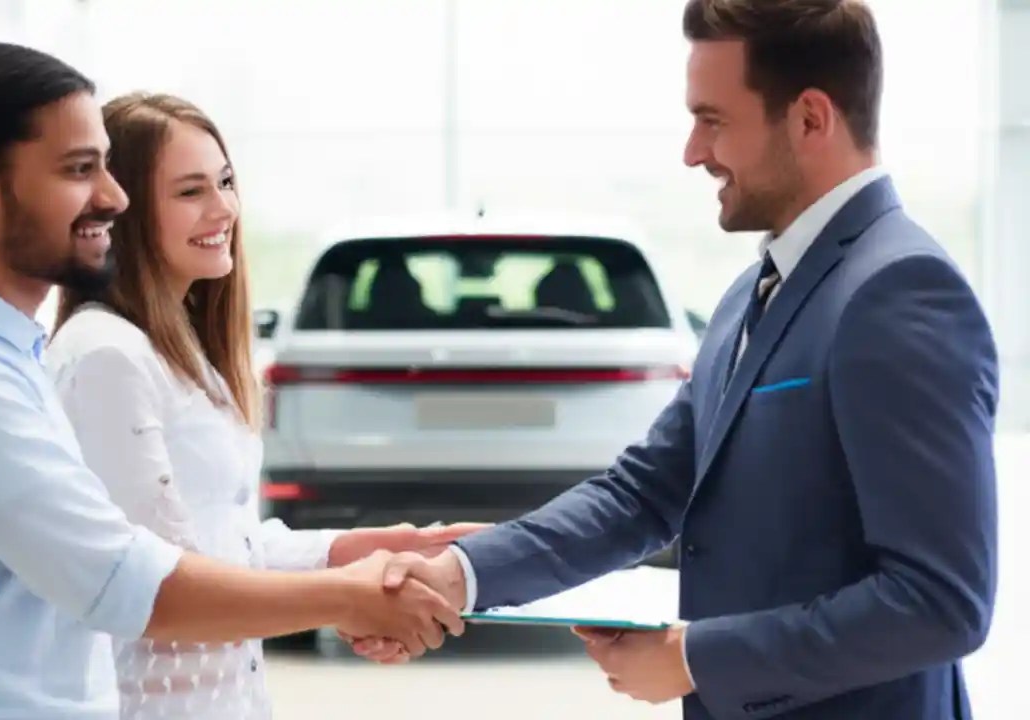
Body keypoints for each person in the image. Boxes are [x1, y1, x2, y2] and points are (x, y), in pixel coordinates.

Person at [364, 1, 1000, 718]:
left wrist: (693, 660)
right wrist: (459, 575)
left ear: (811, 118)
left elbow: (940, 602)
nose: (693, 152)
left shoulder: (901, 292)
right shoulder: (752, 292)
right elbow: (643, 493)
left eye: (714, 120)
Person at [0, 41, 461, 720]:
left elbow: (169, 554)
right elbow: (132, 585)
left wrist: (349, 560)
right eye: (80, 170)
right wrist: (349, 594)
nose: (113, 197)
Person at [43, 91, 484, 719]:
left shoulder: (185, 350)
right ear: (127, 211)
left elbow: (227, 546)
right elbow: (160, 589)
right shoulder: (105, 355)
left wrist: (371, 547)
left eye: (225, 181)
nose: (224, 207)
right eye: (190, 191)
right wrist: (351, 600)